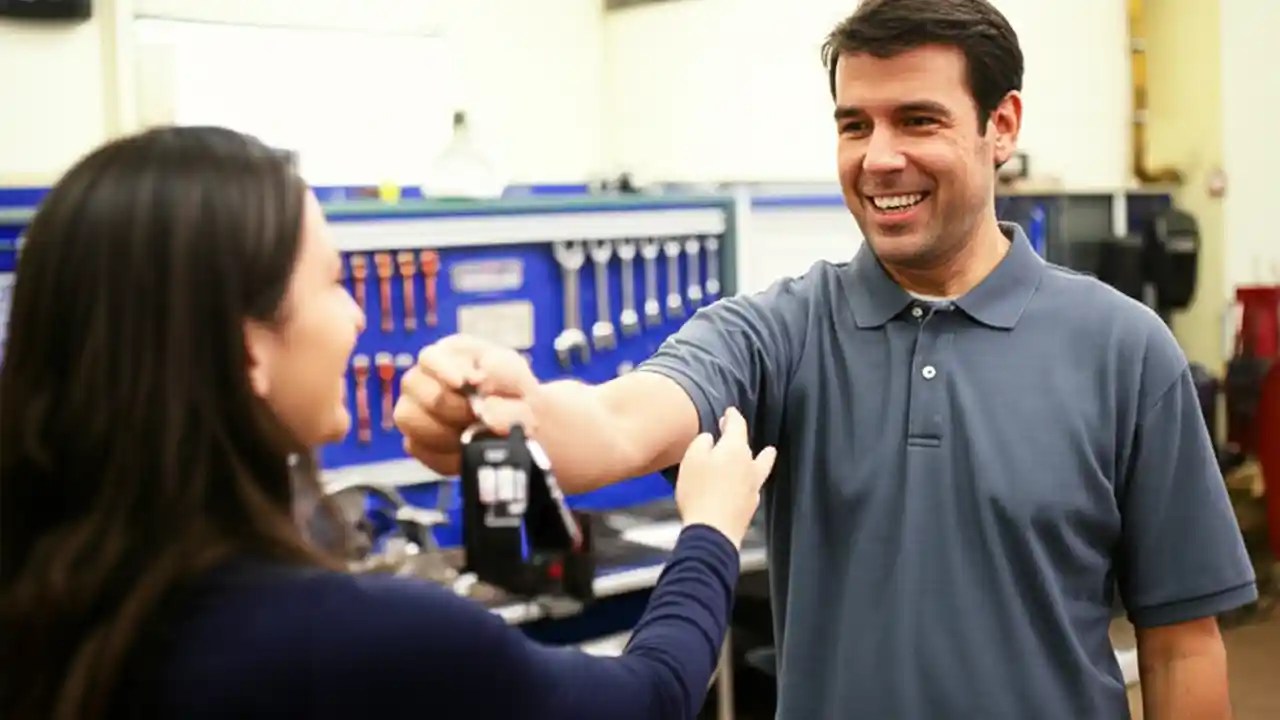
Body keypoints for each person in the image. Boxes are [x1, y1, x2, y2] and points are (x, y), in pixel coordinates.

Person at [394, 0, 1259, 717]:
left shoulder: (1123, 349)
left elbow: (1182, 644)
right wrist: (510, 414)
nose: (880, 158)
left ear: (1002, 126)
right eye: (855, 124)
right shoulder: (778, 332)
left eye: (918, 120)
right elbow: (617, 425)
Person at [0, 125, 777, 720]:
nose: (357, 314)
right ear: (249, 352)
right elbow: (647, 698)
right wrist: (709, 531)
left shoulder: (51, 602)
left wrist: (531, 412)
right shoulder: (360, 640)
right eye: (335, 282)